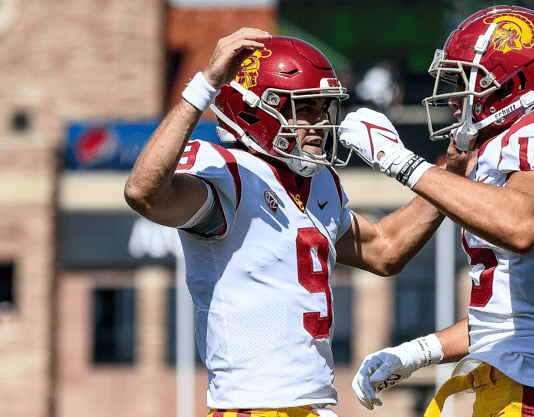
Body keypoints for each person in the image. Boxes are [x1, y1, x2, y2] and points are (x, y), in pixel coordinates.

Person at [124, 28, 465, 417]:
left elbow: (386, 249)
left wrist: (449, 173)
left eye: (323, 109)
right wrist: (204, 85)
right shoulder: (230, 175)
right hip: (251, 408)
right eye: (304, 110)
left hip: (310, 406)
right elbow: (144, 193)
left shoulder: (319, 183)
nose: (320, 124)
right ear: (255, 111)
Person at [342, 5, 534, 417]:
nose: (456, 98)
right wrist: (418, 352)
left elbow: (521, 225)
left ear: (515, 83)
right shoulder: (503, 149)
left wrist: (399, 161)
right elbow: (507, 320)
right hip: (521, 387)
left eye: (469, 81)